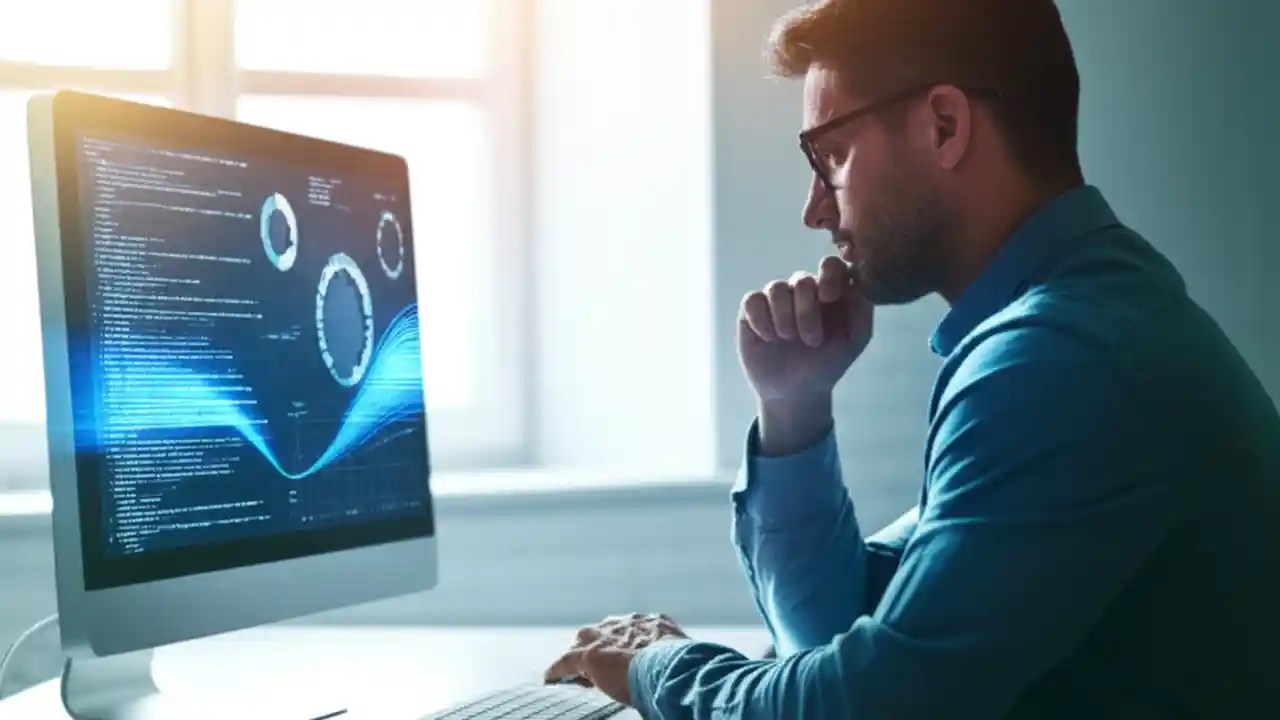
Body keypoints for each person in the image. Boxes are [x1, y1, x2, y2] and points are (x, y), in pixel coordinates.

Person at [543, 0, 1280, 717]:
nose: (815, 209)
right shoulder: (1079, 325)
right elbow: (840, 630)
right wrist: (793, 408)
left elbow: (871, 705)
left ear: (945, 126)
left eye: (830, 155)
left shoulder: (1062, 360)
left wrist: (658, 667)